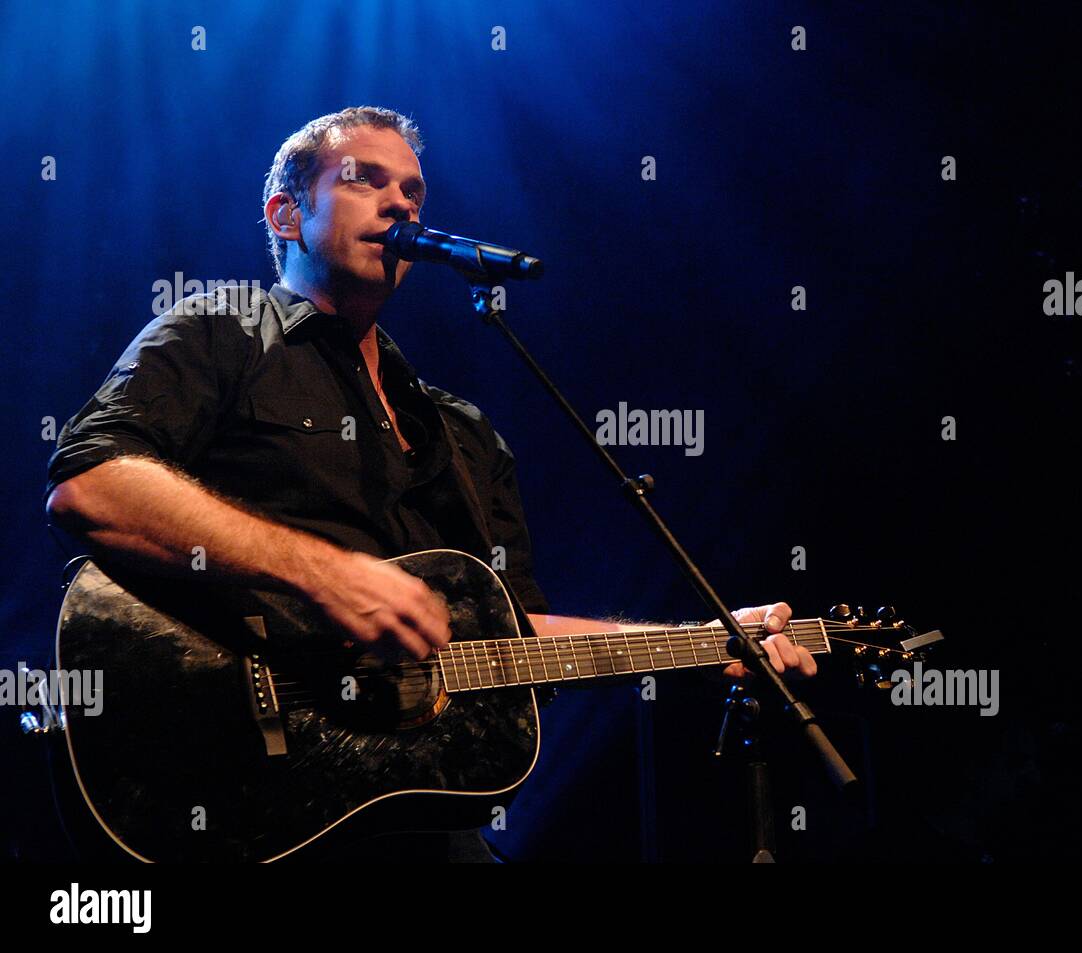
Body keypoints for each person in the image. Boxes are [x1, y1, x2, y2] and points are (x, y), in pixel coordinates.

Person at [44, 106, 816, 862]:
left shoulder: (463, 432)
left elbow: (513, 642)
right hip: (237, 787)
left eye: (413, 192)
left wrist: (709, 638)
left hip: (411, 814)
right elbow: (91, 485)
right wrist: (328, 576)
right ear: (286, 216)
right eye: (364, 180)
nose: (400, 203)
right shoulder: (221, 332)